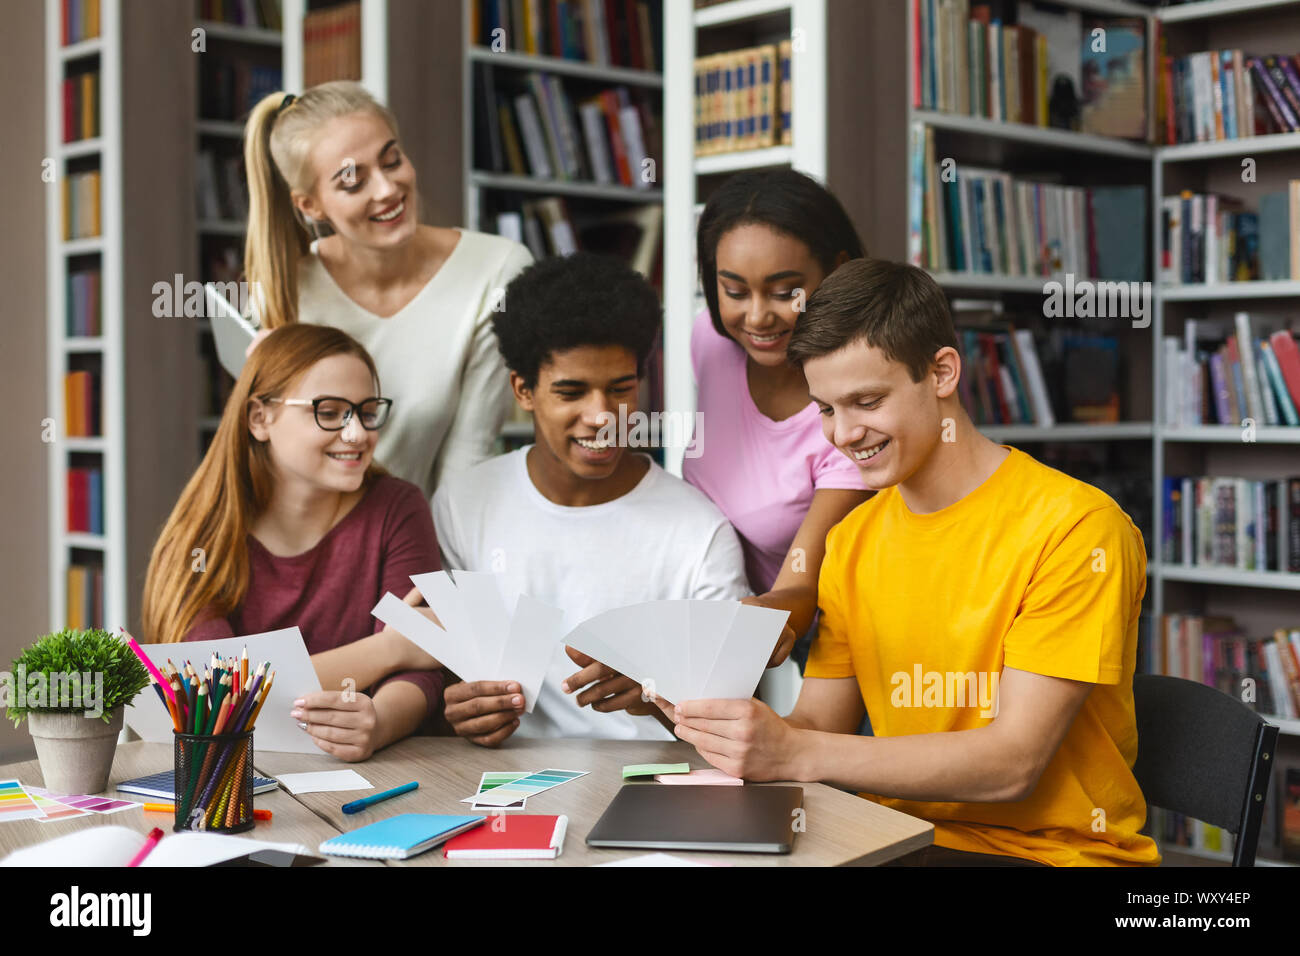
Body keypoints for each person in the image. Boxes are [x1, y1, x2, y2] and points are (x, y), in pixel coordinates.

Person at [660, 260, 1159, 866]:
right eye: (824, 408)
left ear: (942, 372)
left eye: (866, 401)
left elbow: (1012, 766)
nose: (843, 434)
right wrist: (703, 713)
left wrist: (791, 751)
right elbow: (820, 724)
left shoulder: (1078, 529)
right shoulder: (852, 540)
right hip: (893, 842)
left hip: (1050, 857)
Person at [432, 253, 751, 745]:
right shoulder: (464, 504)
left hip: (650, 789)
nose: (603, 416)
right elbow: (446, 677)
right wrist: (460, 708)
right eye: (571, 392)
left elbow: (731, 725)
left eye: (621, 389)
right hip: (504, 788)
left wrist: (659, 694)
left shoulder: (698, 532)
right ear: (523, 390)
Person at [141, 324, 446, 762]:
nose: (358, 433)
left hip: (369, 773)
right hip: (227, 778)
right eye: (329, 411)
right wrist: (388, 648)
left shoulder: (397, 507)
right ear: (260, 418)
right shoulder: (201, 538)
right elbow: (215, 697)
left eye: (367, 411)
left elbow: (424, 667)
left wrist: (377, 723)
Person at [243, 81, 532, 497]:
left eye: (392, 161)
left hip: (420, 543)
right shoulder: (279, 294)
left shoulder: (495, 272)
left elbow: (468, 462)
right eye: (352, 182)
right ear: (311, 205)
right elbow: (274, 478)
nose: (386, 189)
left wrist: (422, 559)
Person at [686, 170, 870, 671]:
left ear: (836, 271)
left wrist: (715, 633)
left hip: (848, 637)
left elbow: (801, 584)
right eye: (735, 291)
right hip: (737, 613)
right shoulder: (709, 340)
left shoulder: (856, 405)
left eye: (785, 291)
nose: (758, 317)